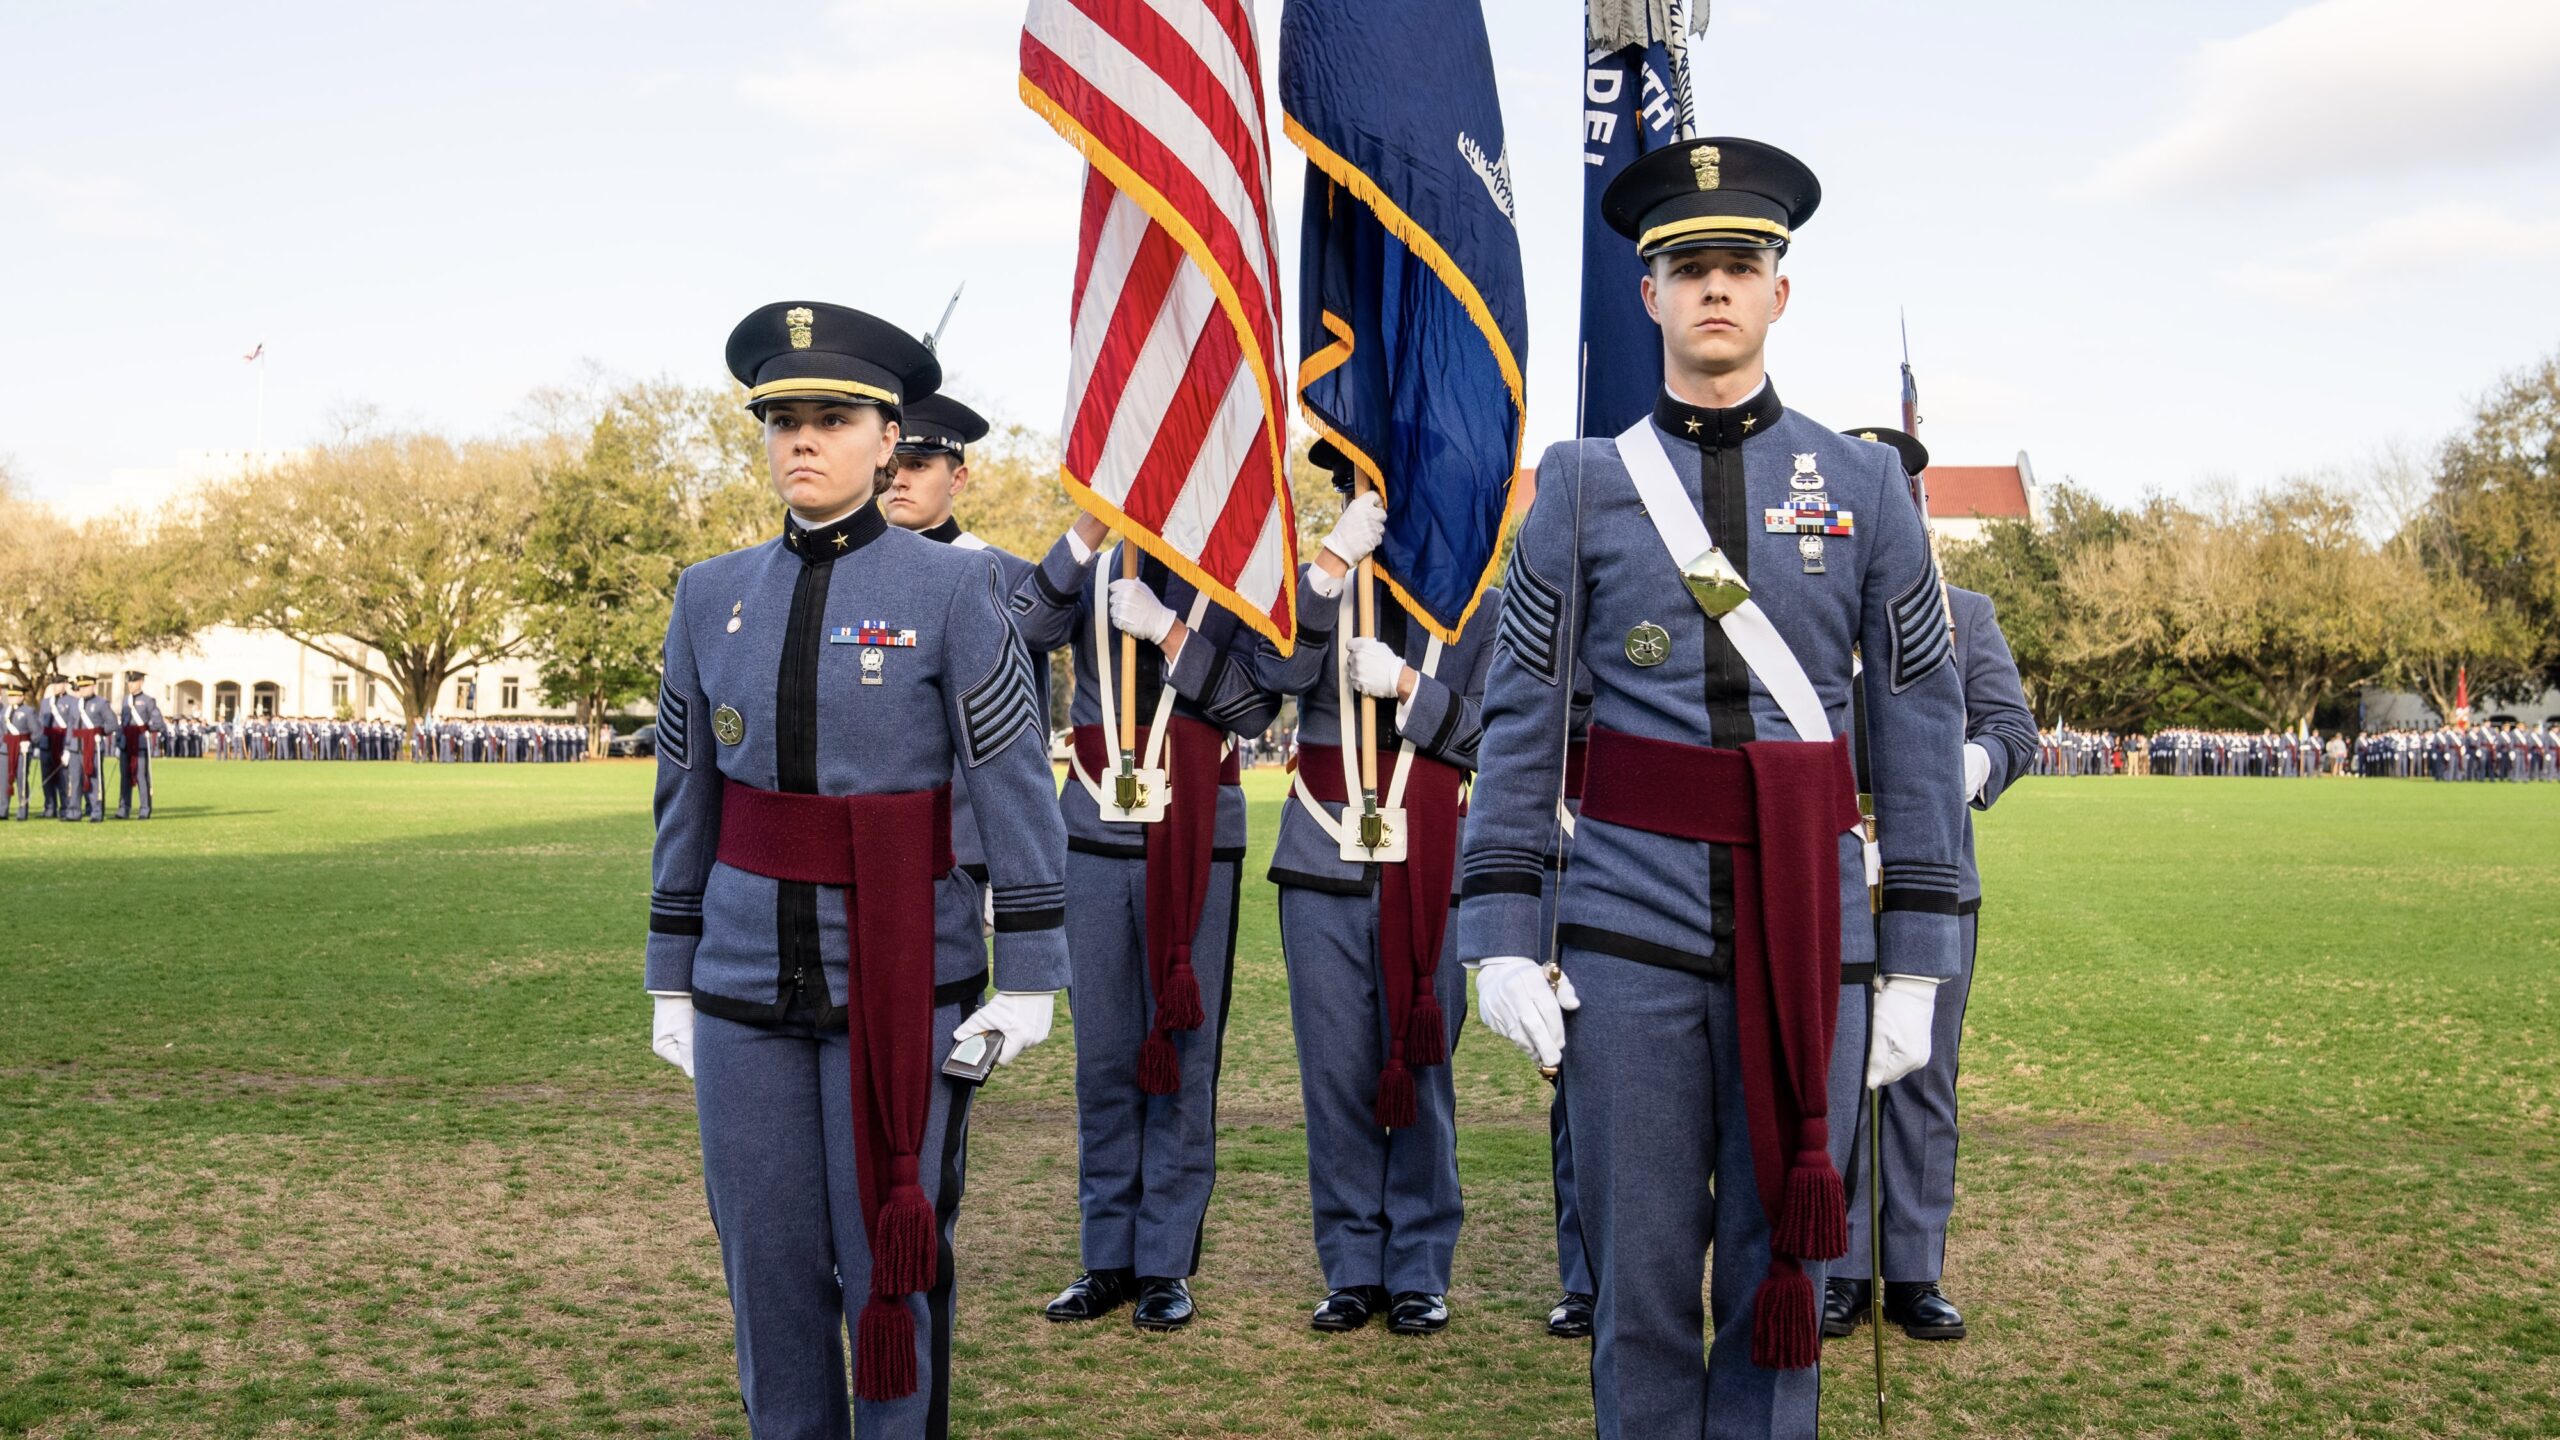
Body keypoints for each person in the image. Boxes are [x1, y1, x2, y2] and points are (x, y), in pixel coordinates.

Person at [1455, 138, 1968, 1438]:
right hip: (1628, 921)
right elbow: (1521, 721)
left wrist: (1917, 959)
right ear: (1651, 295)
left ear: (1780, 292)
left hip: (1811, 925)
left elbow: (1917, 726)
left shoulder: (1866, 488)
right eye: (1689, 269)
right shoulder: (1579, 489)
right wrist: (1501, 932)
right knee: (1634, 1282)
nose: (1716, 288)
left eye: (1741, 264)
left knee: (1776, 1272)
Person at [643, 300, 1071, 1437]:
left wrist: (1031, 970)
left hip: (902, 977)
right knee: (767, 1274)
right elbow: (685, 798)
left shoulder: (955, 590)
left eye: (832, 420)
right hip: (742, 984)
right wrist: (670, 974)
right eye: (782, 420)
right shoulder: (708, 594)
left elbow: (1012, 783)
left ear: (889, 440)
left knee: (892, 1260)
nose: (802, 441)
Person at [1010, 488, 1283, 1333]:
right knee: (1102, 1061)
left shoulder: (1234, 569)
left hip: (1198, 832)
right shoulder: (1094, 563)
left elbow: (1256, 706)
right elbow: (1023, 627)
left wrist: (1170, 633)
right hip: (1095, 829)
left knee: (1184, 1057)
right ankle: (1106, 1257)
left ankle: (1164, 1263)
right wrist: (1091, 523)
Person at [1251, 445, 1495, 1336]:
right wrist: (1327, 567)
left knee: (1424, 1074)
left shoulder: (1479, 606)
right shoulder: (1310, 590)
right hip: (1323, 859)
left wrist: (1408, 686)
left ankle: (1420, 1266)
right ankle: (1352, 1265)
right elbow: (1271, 680)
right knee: (1335, 1076)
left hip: (1431, 863)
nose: (1385, 504)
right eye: (1365, 487)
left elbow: (1498, 738)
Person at [1821, 427, 2039, 1345]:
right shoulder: (1809, 611)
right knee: (1833, 1075)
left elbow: (2013, 731)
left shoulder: (1964, 614)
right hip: (1830, 872)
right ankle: (1837, 1266)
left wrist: (1959, 765)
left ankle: (1911, 1269)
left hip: (1936, 873)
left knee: (1923, 1077)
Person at [882, 389, 1048, 913]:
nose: (899, 479)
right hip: (868, 834)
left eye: (918, 465)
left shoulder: (1005, 574)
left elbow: (1021, 723)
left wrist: (1004, 865)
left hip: (963, 846)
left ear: (957, 479)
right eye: (892, 465)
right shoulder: (851, 571)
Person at [117, 671, 168, 820]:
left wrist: (146, 729)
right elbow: (123, 723)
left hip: (139, 743)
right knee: (125, 776)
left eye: (133, 681)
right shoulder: (125, 700)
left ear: (141, 682)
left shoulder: (148, 701)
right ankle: (123, 809)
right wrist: (118, 742)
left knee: (141, 776)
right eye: (129, 681)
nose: (130, 684)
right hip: (126, 743)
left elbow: (158, 722)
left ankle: (144, 809)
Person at [63, 675, 114, 824]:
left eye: (86, 686)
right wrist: (67, 747)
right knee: (75, 780)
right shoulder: (75, 704)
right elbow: (71, 726)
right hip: (76, 747)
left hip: (93, 746)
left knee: (94, 780)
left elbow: (112, 723)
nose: (83, 690)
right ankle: (73, 812)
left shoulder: (101, 703)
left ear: (93, 686)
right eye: (81, 687)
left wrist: (100, 732)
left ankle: (96, 812)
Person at [2, 684, 35, 820]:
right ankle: (2, 810)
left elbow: (36, 731)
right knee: (3, 781)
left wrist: (30, 743)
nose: (11, 698)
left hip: (22, 750)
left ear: (22, 697)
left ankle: (22, 810)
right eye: (10, 696)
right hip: (6, 749)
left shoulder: (29, 711)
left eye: (14, 696)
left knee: (21, 780)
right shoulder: (4, 711)